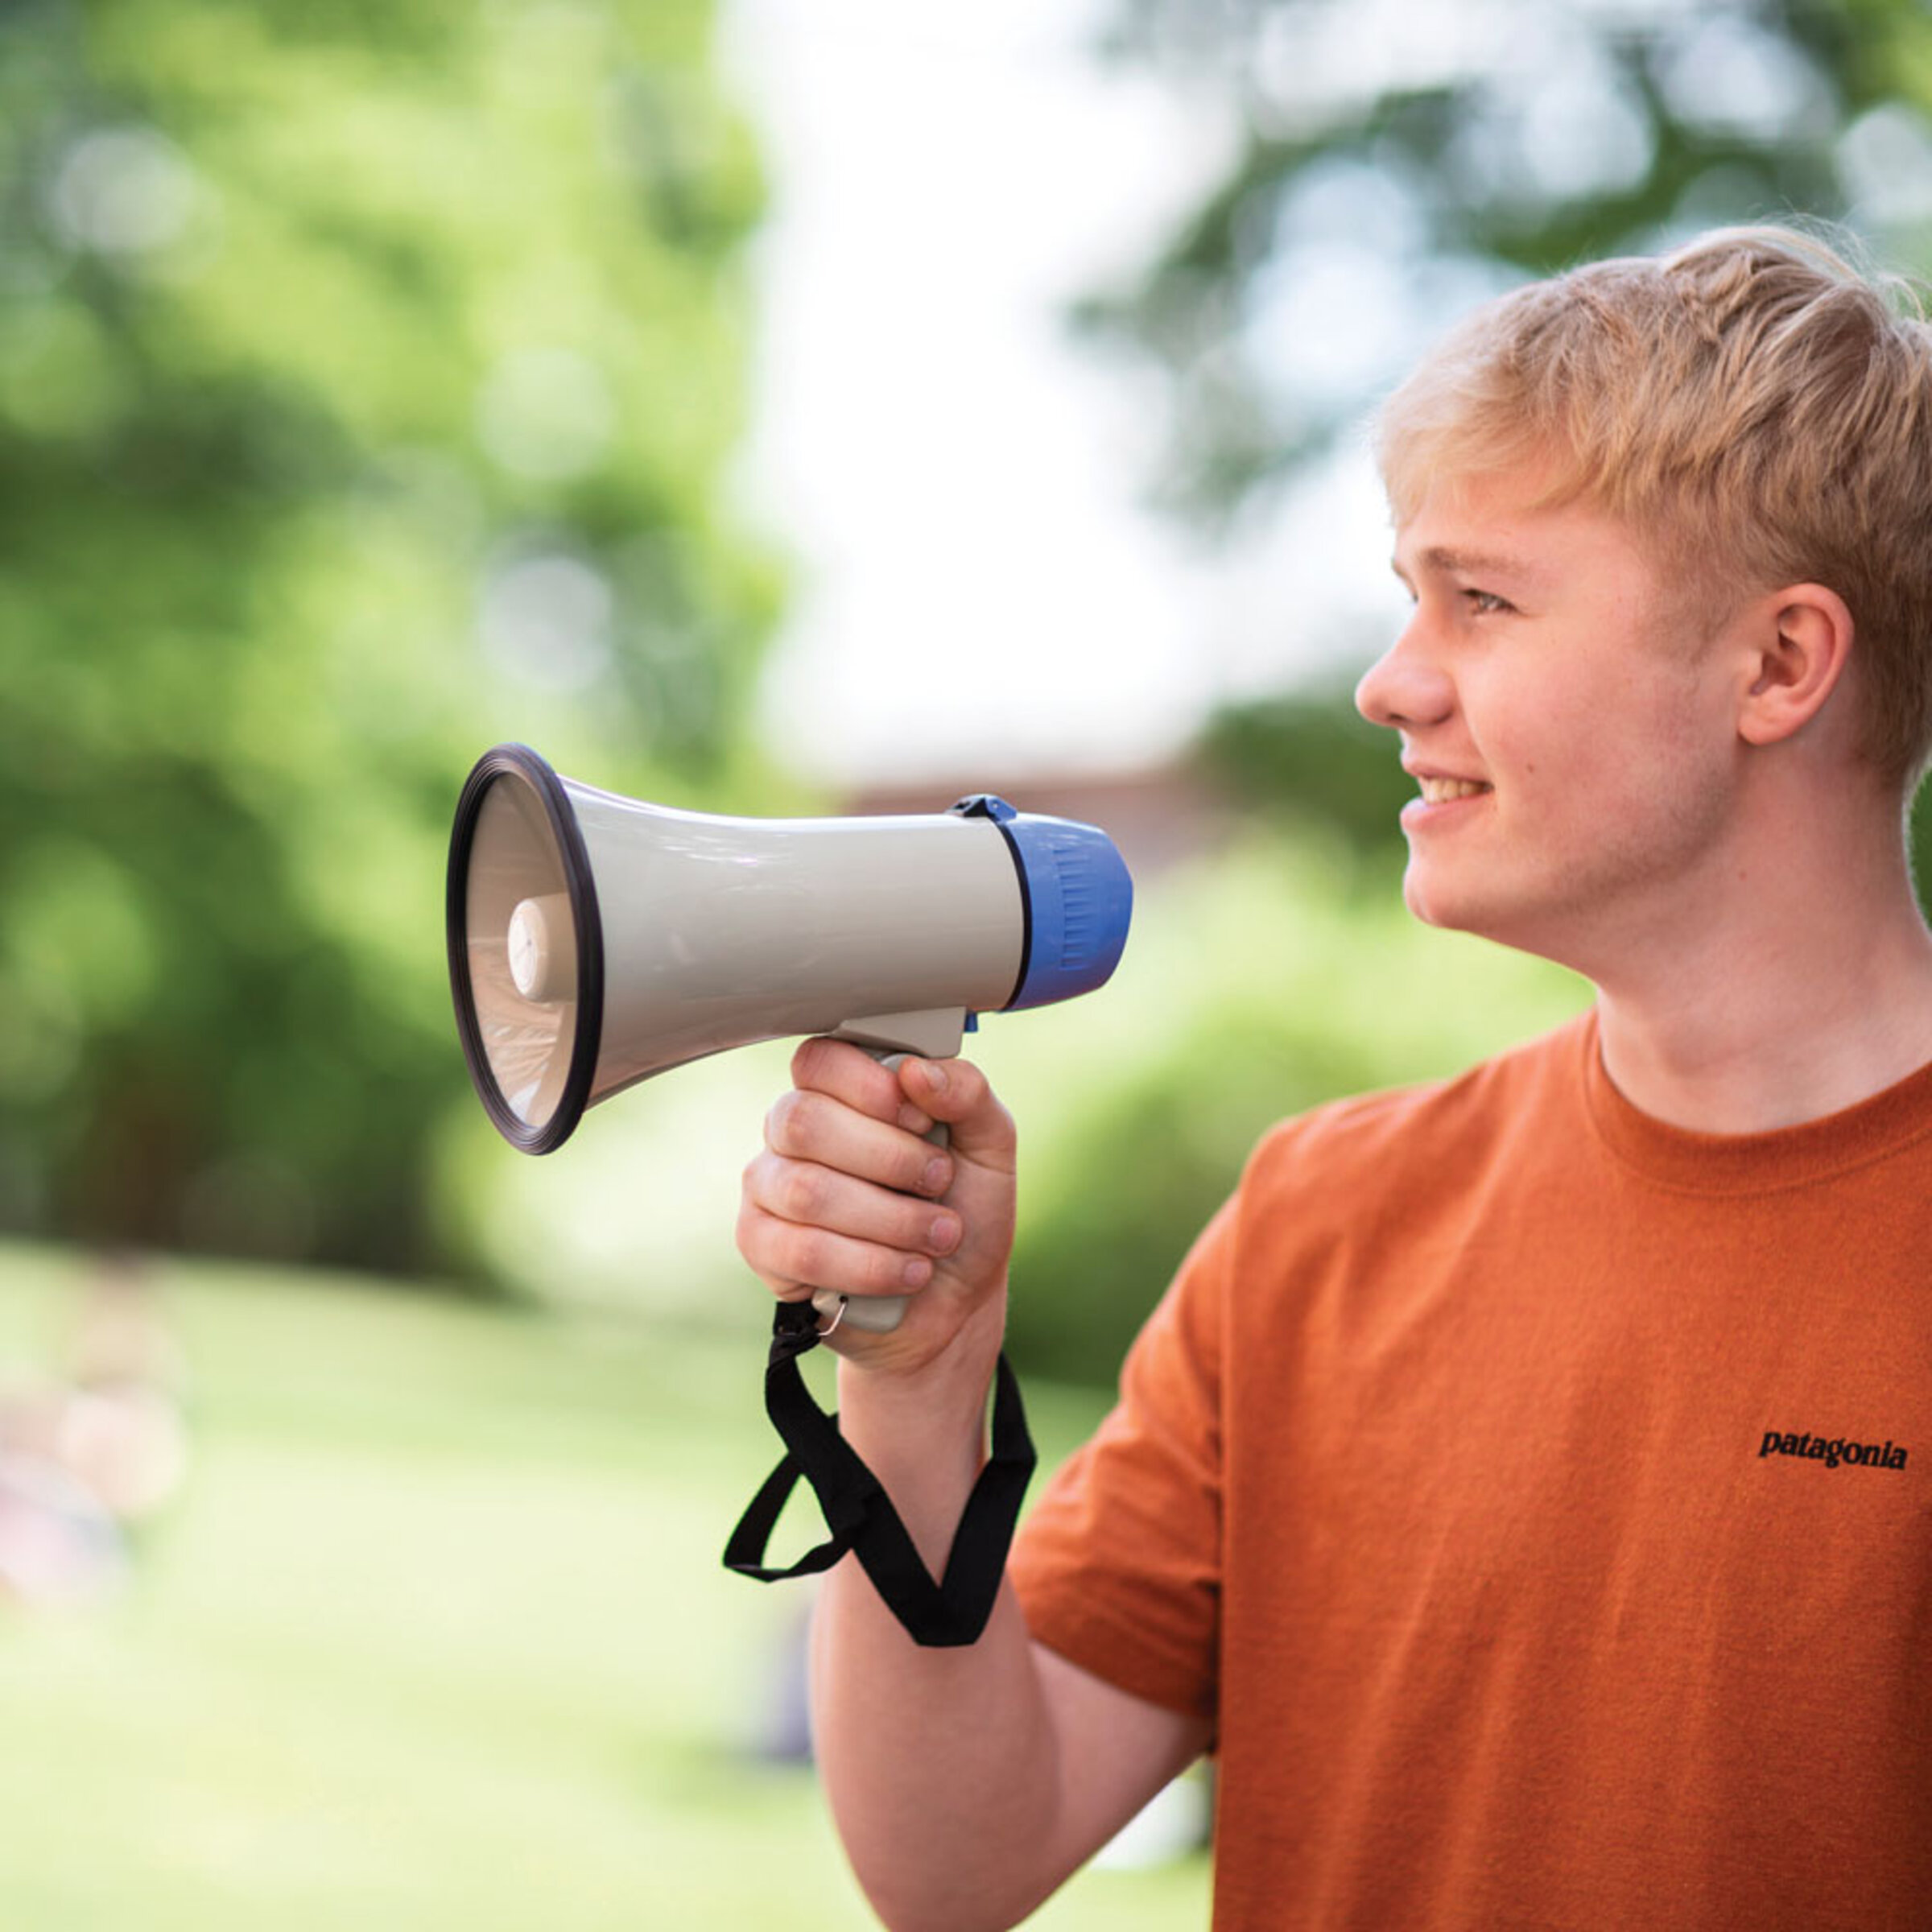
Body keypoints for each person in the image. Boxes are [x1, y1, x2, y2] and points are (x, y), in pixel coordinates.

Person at [735, 224, 1932, 1930]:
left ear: (1778, 666)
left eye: (1486, 600)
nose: (1393, 681)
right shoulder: (1324, 1219)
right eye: (1406, 596)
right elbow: (952, 1865)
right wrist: (914, 1385)